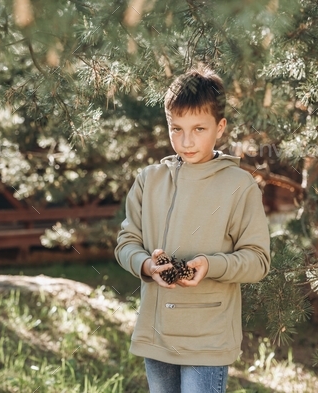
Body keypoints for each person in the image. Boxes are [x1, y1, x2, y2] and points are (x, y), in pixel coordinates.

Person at [114, 65, 271, 393]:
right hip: (156, 333)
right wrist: (146, 265)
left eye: (199, 128)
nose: (186, 141)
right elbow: (126, 242)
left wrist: (210, 265)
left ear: (220, 127)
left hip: (208, 338)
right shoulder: (148, 180)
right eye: (176, 128)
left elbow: (258, 261)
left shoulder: (239, 186)